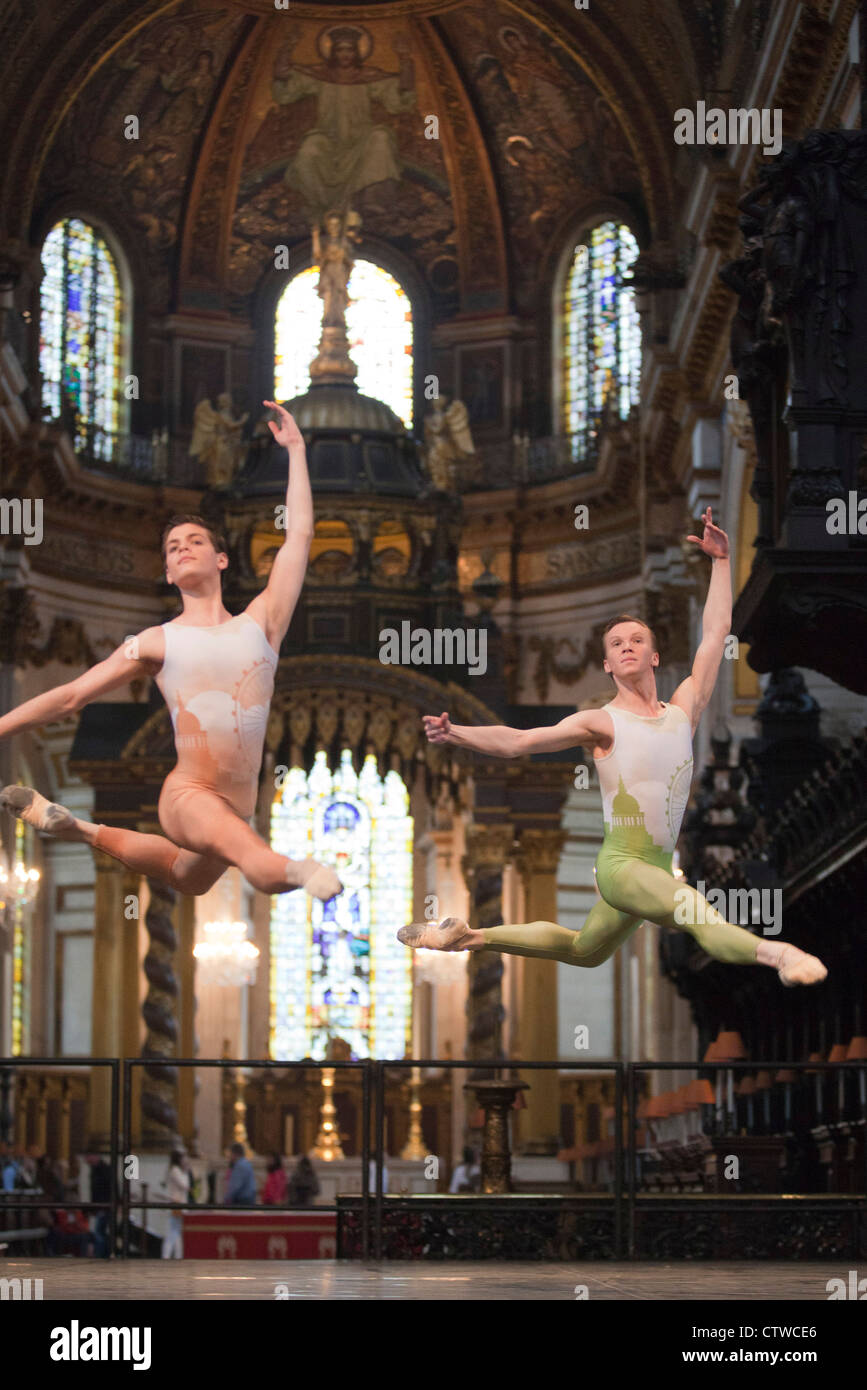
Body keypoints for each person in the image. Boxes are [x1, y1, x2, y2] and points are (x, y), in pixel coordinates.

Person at [399, 509, 827, 988]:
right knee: (694, 911)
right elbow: (519, 742)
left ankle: (468, 937)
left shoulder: (685, 708)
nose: (627, 646)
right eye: (617, 642)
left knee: (586, 951)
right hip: (622, 866)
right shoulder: (601, 722)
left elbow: (714, 635)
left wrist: (721, 563)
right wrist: (456, 732)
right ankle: (781, 954)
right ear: (605, 664)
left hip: (658, 865)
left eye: (637, 640)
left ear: (654, 656)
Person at [0, 403, 343, 909]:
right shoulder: (155, 641)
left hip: (236, 802)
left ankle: (77, 828)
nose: (182, 549)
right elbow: (72, 696)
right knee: (252, 857)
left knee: (188, 875)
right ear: (166, 573)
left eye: (195, 542)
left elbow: (299, 536)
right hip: (188, 794)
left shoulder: (262, 622)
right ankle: (301, 868)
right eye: (172, 548)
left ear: (221, 559)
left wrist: (295, 451)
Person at [160, 1150, 190, 1258]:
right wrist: (186, 1172)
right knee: (173, 1232)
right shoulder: (175, 1170)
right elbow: (185, 1186)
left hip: (178, 1204)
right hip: (176, 1204)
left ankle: (178, 1256)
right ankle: (167, 1256)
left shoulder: (175, 1170)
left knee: (177, 1233)